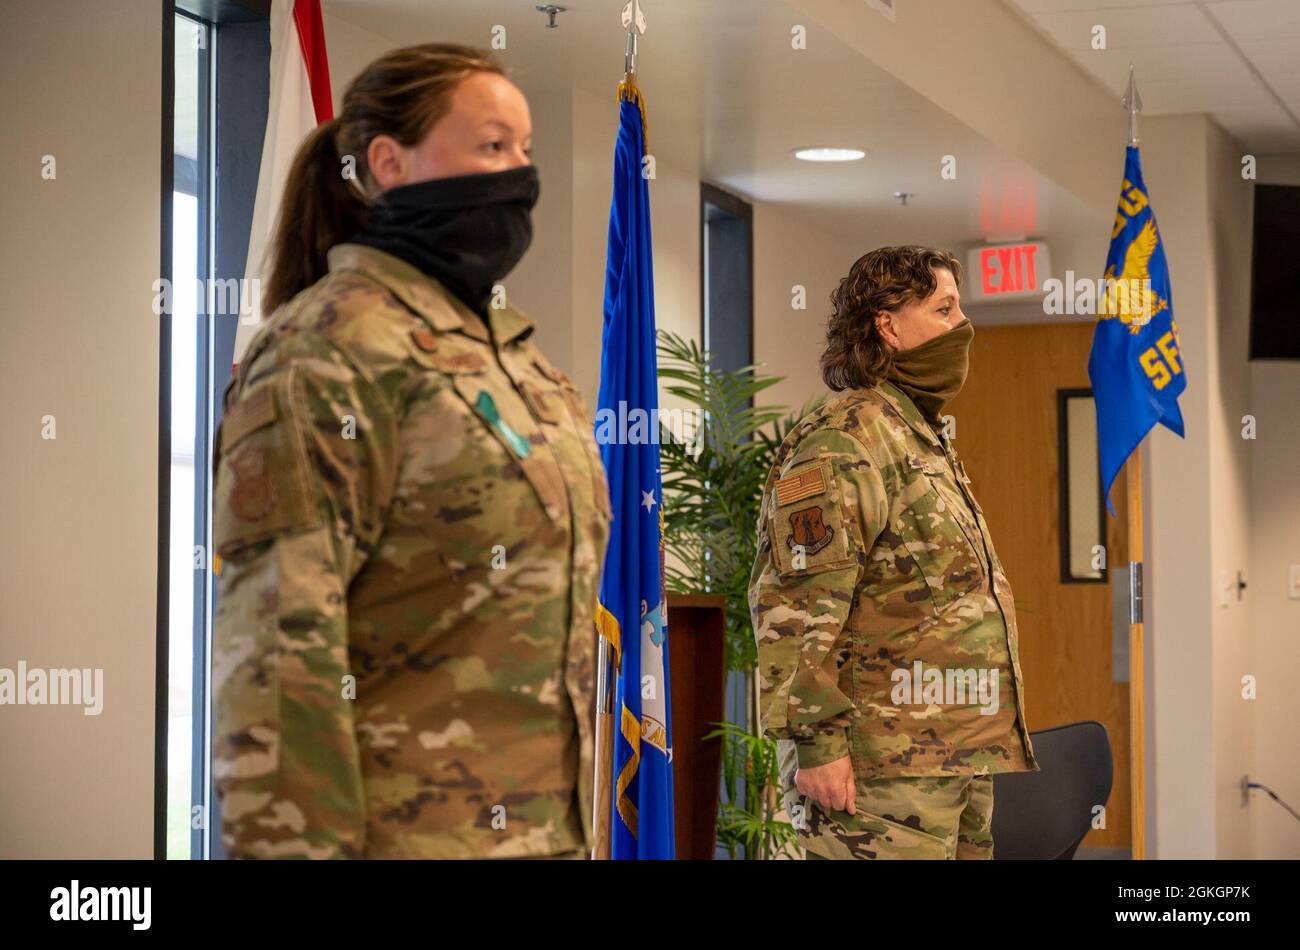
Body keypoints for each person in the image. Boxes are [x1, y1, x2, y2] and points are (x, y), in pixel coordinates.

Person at [211, 43, 610, 859]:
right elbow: (278, 658)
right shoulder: (327, 348)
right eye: (492, 146)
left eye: (526, 152)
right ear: (388, 163)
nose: (519, 175)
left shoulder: (519, 359)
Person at [749, 245, 1039, 860]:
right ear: (888, 323)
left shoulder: (917, 435)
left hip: (950, 754)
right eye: (944, 308)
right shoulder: (844, 440)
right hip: (876, 772)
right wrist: (818, 744)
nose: (962, 326)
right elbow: (797, 604)